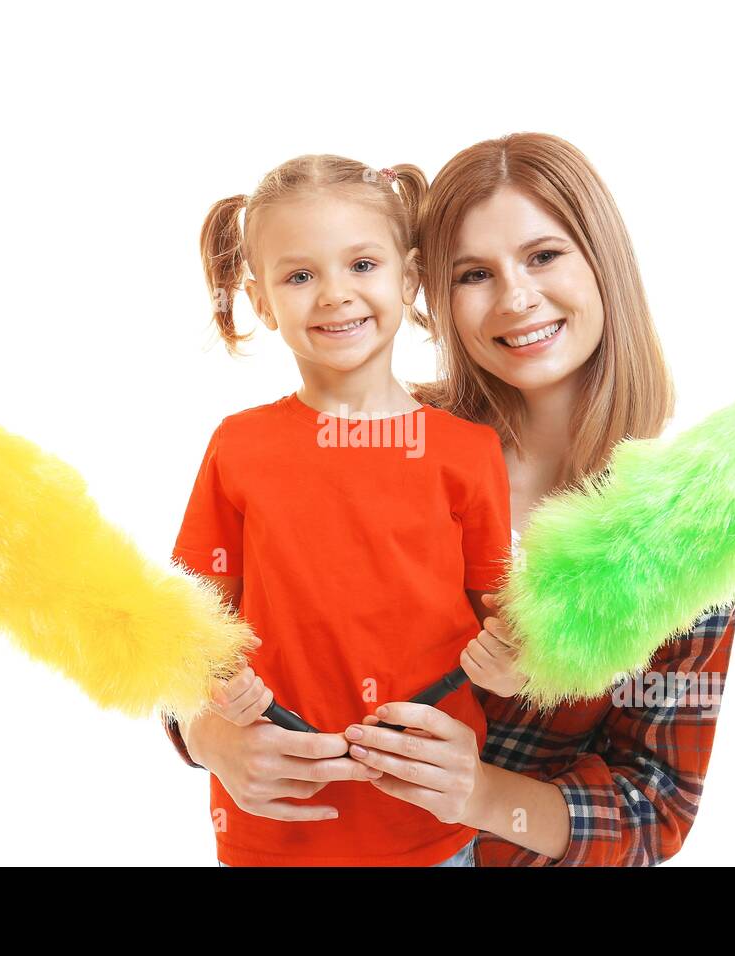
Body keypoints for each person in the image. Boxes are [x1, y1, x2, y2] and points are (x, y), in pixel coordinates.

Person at [170, 133, 735, 866]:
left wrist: (479, 794)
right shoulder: (378, 440)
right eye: (474, 273)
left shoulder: (682, 541)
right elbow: (204, 630)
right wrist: (207, 734)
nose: (516, 297)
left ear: (604, 264)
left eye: (543, 255)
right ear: (432, 289)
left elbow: (655, 807)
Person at [169, 153, 515, 867]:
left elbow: (502, 621)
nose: (334, 295)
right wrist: (212, 707)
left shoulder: (468, 453)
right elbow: (190, 623)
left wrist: (516, 664)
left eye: (362, 265)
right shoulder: (238, 448)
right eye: (299, 276)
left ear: (409, 277)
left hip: (430, 830)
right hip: (274, 828)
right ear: (262, 302)